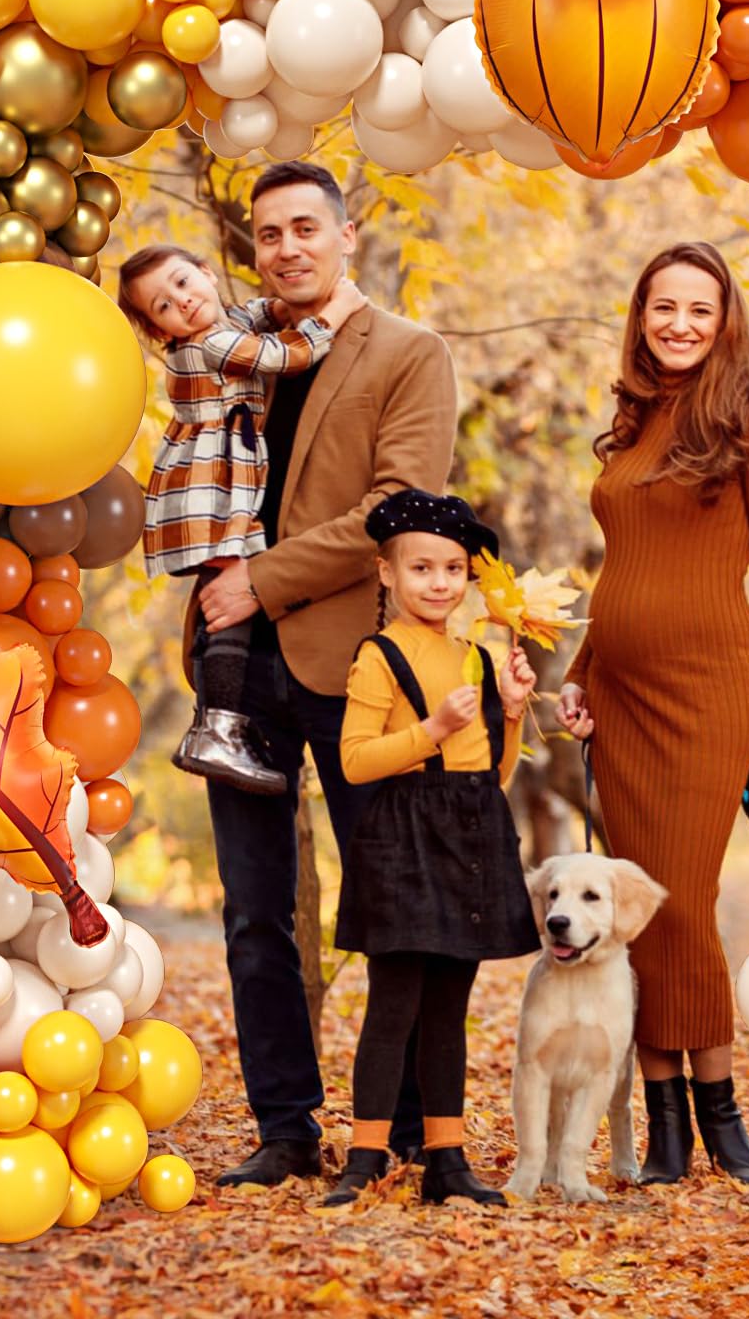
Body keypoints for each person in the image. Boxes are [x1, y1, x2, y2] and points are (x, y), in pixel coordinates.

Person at [181, 162, 460, 1189]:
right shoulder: (238, 354)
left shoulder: (409, 354)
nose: (288, 247)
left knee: (391, 900)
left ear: (348, 234)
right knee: (255, 910)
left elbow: (398, 505)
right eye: (268, 233)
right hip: (235, 669)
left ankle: (418, 1133)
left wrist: (259, 579)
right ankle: (284, 1126)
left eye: (306, 227)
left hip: (355, 666)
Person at [556, 241, 749, 1187]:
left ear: (725, 317)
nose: (679, 325)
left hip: (710, 693)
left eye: (699, 309)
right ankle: (667, 1132)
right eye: (663, 307)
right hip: (617, 698)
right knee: (634, 909)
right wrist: (582, 670)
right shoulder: (633, 421)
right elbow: (623, 573)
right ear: (641, 315)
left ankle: (722, 1113)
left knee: (683, 902)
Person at [323, 489, 539, 1208]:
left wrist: (508, 711)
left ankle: (447, 1158)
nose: (439, 583)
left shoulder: (477, 656)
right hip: (402, 837)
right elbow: (354, 760)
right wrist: (431, 731)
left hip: (470, 830)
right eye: (421, 568)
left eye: (452, 569)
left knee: (450, 1002)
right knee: (394, 1002)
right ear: (387, 574)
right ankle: (366, 1155)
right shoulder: (379, 657)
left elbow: (493, 772)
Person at [119, 244, 365, 793]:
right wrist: (337, 308)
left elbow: (254, 313)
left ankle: (216, 724)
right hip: (212, 489)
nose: (182, 302)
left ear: (207, 272)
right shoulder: (209, 343)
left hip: (212, 484)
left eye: (185, 283)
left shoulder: (223, 322)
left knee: (223, 595)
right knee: (231, 604)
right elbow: (284, 357)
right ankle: (218, 727)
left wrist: (279, 305)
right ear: (161, 331)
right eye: (163, 306)